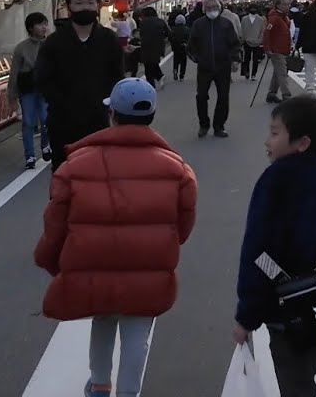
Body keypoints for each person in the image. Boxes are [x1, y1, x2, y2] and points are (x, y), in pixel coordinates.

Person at [34, 78, 197, 397]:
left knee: (103, 319)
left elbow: (55, 221)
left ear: (113, 115)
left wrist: (48, 258)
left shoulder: (75, 166)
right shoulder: (177, 169)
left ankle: (99, 384)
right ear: (151, 116)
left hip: (94, 260)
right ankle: (128, 392)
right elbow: (183, 226)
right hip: (147, 263)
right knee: (138, 331)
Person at [233, 95, 316, 396]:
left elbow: (259, 254)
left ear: (302, 142)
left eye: (274, 132)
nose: (266, 140)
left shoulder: (274, 182)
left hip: (288, 311)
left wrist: (247, 315)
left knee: (295, 380)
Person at [35, 0, 126, 171]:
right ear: (69, 7)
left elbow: (117, 77)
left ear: (97, 5)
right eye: (79, 3)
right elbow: (43, 79)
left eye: (90, 3)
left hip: (98, 120)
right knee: (63, 173)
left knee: (97, 172)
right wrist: (61, 102)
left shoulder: (109, 40)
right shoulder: (53, 42)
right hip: (62, 121)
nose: (85, 7)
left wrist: (106, 103)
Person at [188, 0, 241, 138]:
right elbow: (191, 46)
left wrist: (235, 59)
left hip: (223, 67)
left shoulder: (226, 24)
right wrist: (197, 59)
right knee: (201, 96)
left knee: (223, 97)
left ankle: (219, 126)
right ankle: (203, 124)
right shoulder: (198, 25)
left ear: (219, 8)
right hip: (204, 68)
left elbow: (235, 44)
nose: (212, 10)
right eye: (209, 8)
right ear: (204, 10)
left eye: (214, 7)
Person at [10, 12, 53, 170]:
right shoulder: (21, 48)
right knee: (28, 122)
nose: (44, 27)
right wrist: (12, 95)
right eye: (40, 24)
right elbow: (14, 72)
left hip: (45, 89)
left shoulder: (50, 45)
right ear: (30, 27)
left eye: (45, 24)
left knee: (46, 120)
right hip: (27, 89)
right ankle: (29, 156)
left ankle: (45, 145)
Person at [263, 0, 294, 104]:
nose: (287, 6)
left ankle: (271, 94)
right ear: (278, 5)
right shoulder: (274, 18)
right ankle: (286, 95)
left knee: (277, 73)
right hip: (276, 50)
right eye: (285, 4)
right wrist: (267, 48)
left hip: (284, 49)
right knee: (282, 73)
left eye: (288, 4)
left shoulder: (284, 17)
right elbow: (267, 34)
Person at [138, 6, 170, 89]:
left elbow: (141, 34)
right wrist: (162, 38)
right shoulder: (161, 21)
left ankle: (153, 85)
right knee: (153, 63)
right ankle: (159, 76)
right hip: (158, 46)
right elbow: (168, 32)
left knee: (148, 66)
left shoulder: (143, 22)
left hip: (146, 46)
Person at [240, 4, 266, 80]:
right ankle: (247, 72)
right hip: (247, 41)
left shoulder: (260, 19)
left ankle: (254, 74)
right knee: (246, 58)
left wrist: (260, 40)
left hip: (257, 42)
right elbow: (242, 29)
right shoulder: (244, 19)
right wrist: (243, 39)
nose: (253, 10)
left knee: (255, 59)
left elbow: (262, 31)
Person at [169, 14, 190, 82]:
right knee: (183, 62)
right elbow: (189, 38)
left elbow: (170, 38)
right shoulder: (187, 29)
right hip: (183, 47)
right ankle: (181, 75)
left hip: (176, 47)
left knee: (176, 61)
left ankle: (175, 70)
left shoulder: (173, 29)